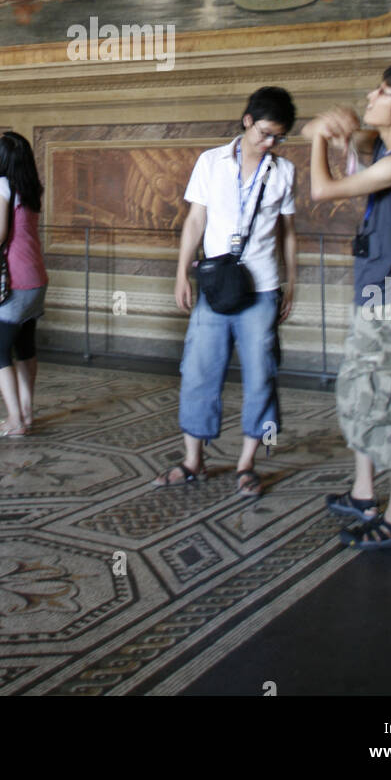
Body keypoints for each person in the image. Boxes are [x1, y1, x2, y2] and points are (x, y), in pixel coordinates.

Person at [303, 61, 391, 550]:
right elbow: (354, 137)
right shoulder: (389, 148)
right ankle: (366, 494)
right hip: (375, 300)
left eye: (382, 92)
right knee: (362, 393)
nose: (371, 94)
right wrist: (330, 126)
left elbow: (322, 189)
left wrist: (322, 138)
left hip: (390, 305)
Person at [155, 87, 297, 497]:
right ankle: (192, 460)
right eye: (265, 133)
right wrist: (182, 273)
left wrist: (293, 283)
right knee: (199, 371)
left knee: (261, 376)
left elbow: (289, 233)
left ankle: (247, 463)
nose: (270, 143)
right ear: (248, 120)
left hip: (264, 288)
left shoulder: (283, 172)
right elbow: (195, 221)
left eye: (279, 137)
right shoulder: (211, 162)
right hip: (216, 287)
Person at [0, 132, 48, 439]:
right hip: (37, 277)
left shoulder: (3, 184)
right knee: (25, 347)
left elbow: (1, 229)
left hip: (16, 277)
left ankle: (15, 420)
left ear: (2, 154)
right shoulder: (30, 187)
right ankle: (26, 414)